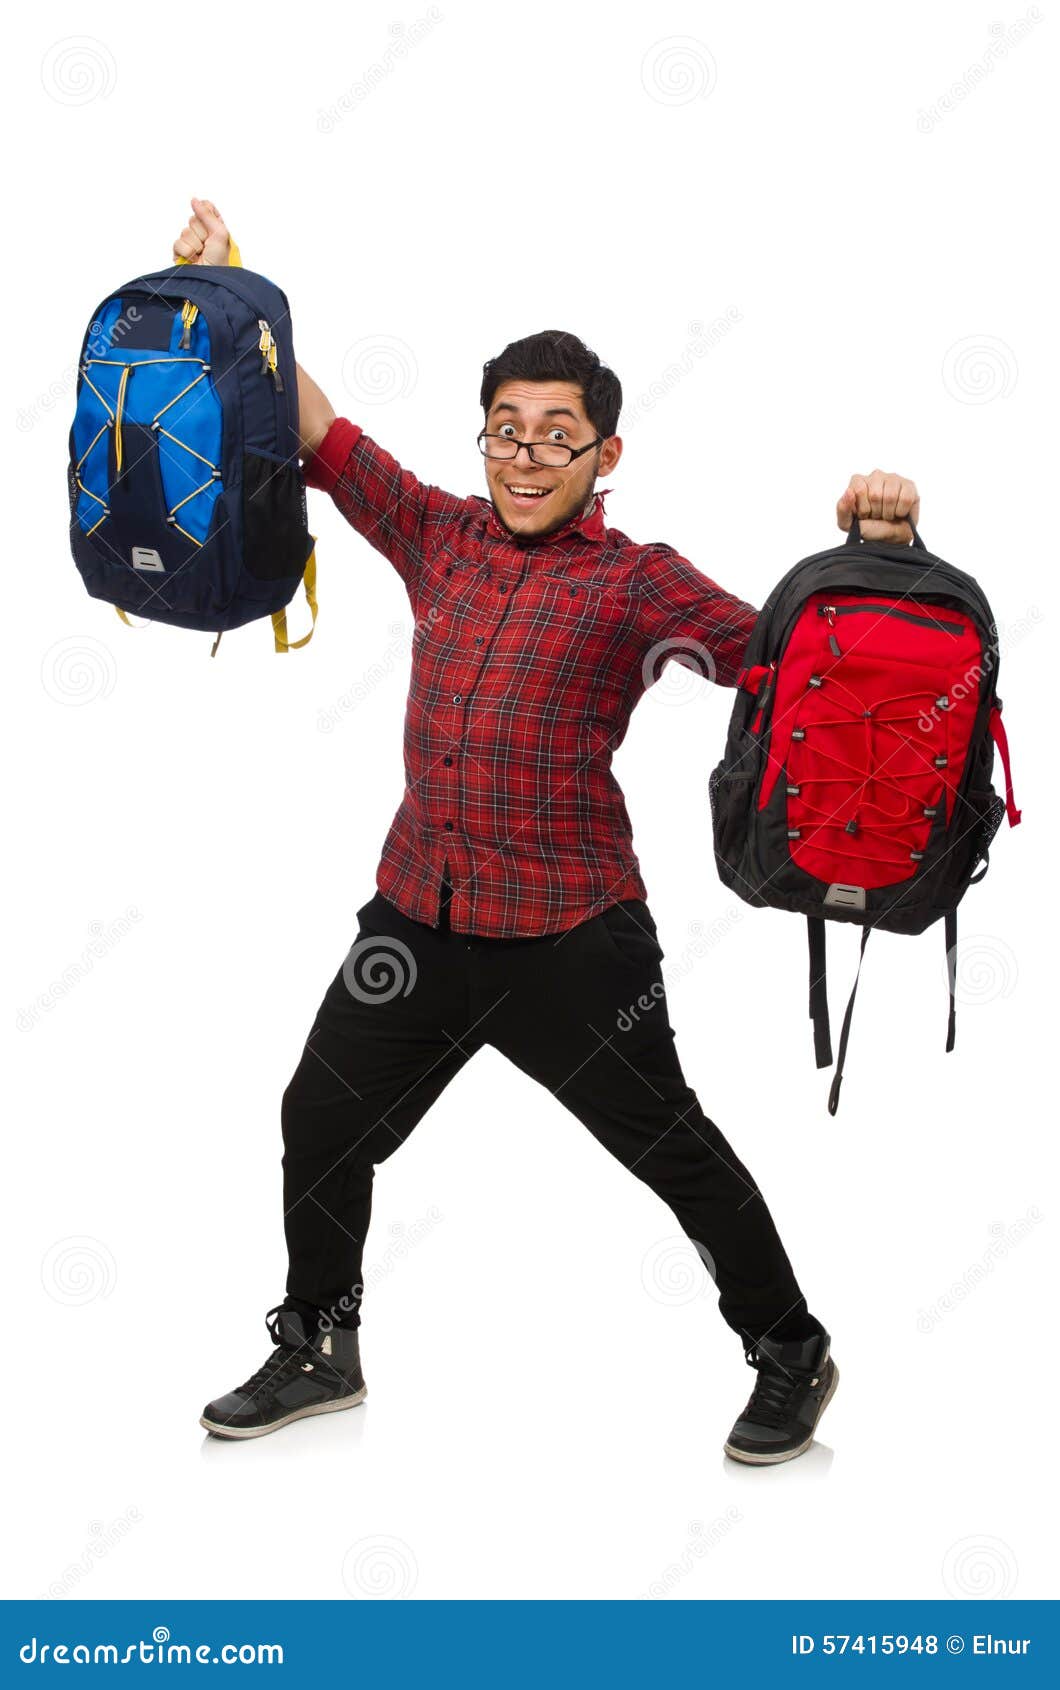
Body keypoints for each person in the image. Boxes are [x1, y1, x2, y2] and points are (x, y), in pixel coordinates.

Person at [178, 200, 920, 1462]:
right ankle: (319, 1341)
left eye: (555, 439)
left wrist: (878, 550)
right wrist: (227, 291)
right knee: (319, 1115)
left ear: (605, 454)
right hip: (415, 920)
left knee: (672, 1148)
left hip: (574, 940)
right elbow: (320, 426)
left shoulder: (638, 581)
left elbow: (795, 656)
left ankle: (791, 1348)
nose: (524, 458)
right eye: (505, 433)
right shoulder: (435, 532)